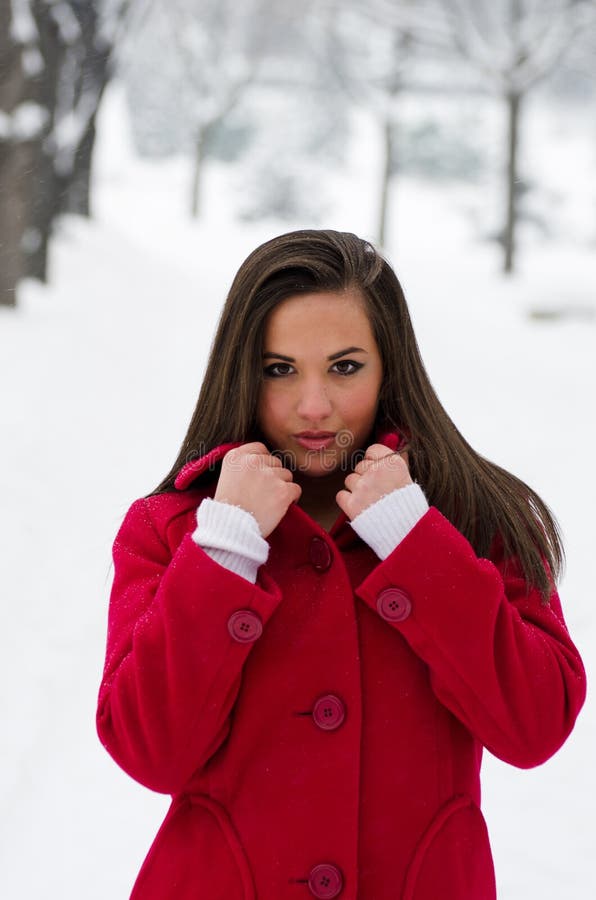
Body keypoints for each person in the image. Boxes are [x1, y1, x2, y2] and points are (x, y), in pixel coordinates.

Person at [96, 229, 586, 900]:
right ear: (241, 371)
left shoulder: (475, 517)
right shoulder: (172, 529)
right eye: (279, 369)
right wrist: (225, 548)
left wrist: (415, 543)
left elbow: (535, 726)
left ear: (391, 366)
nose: (314, 406)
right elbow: (150, 752)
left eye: (345, 367)